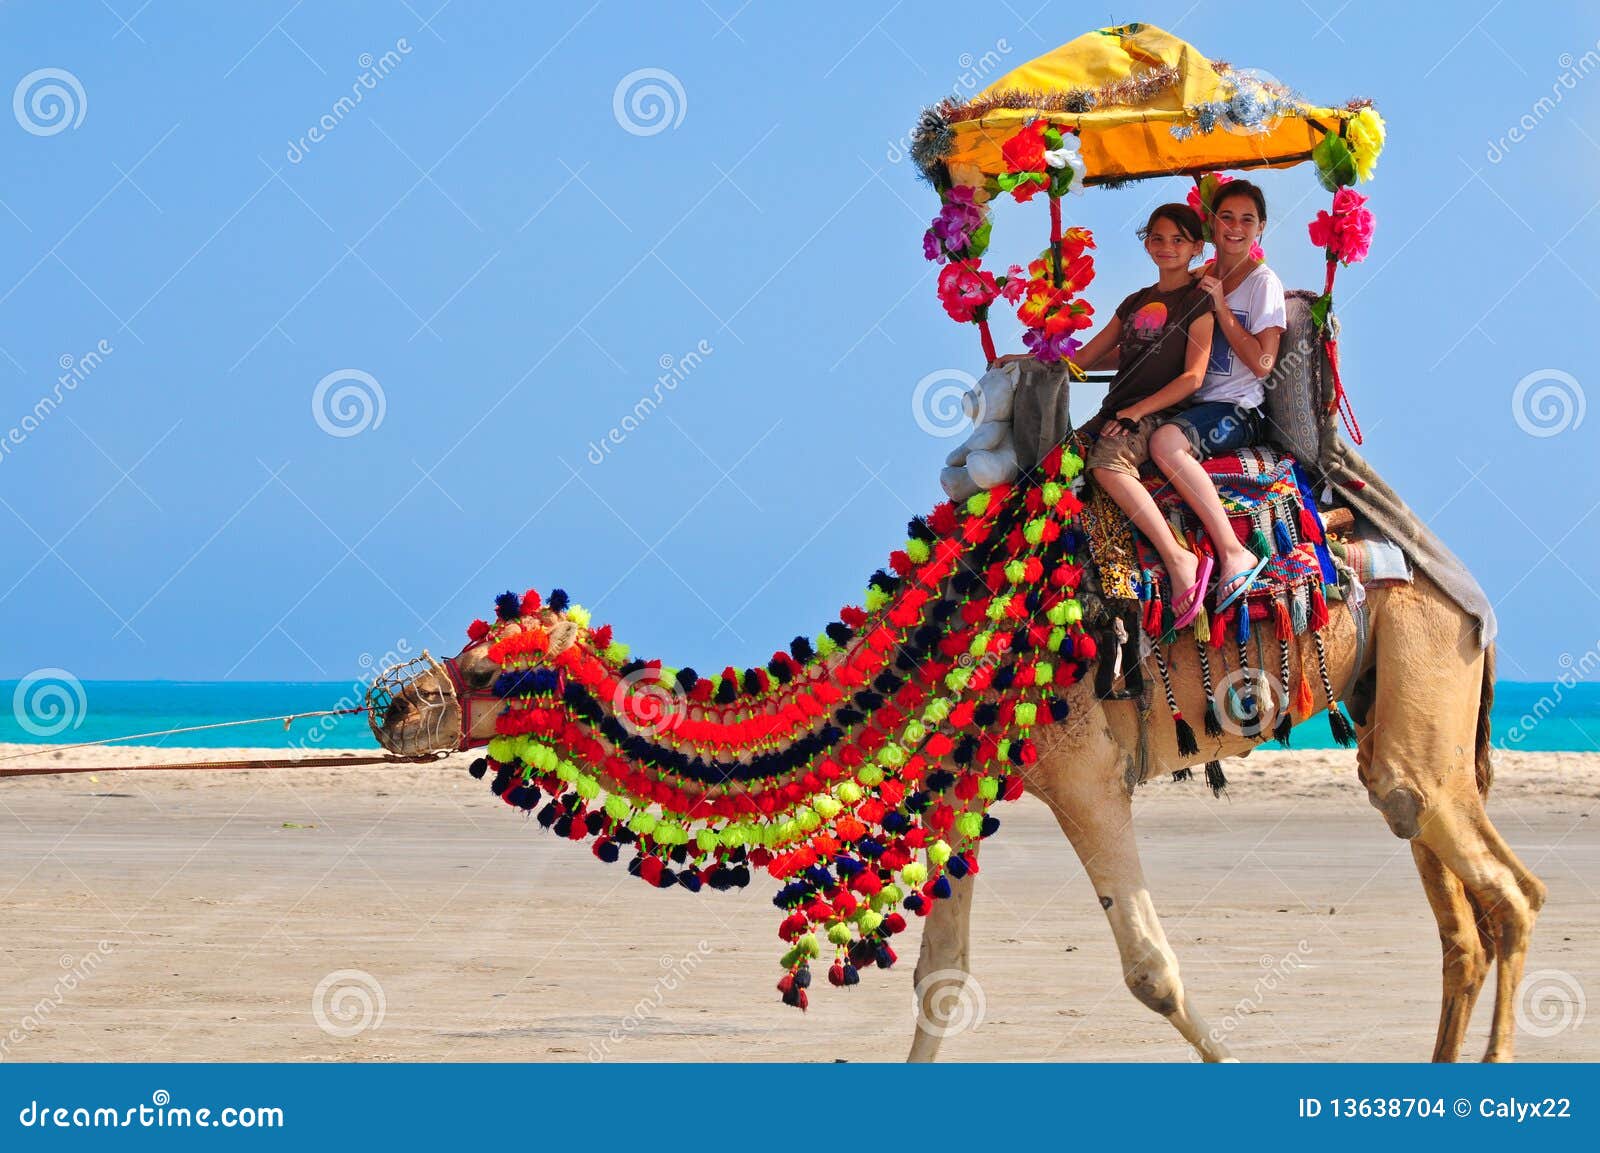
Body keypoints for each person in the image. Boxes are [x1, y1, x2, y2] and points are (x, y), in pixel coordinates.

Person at [1069, 204, 1216, 627]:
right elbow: (1084, 359)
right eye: (1157, 238)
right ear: (1147, 243)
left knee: (1106, 463)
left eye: (1178, 240)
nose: (1166, 247)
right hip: (1114, 411)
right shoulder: (1134, 302)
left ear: (1195, 247)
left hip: (1159, 411)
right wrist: (1022, 361)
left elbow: (1192, 376)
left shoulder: (1198, 300)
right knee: (1055, 461)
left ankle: (1178, 557)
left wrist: (1137, 411)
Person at [1148, 178, 1287, 612]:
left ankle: (1232, 551)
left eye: (1247, 219)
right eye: (1226, 216)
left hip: (1235, 410)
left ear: (1260, 227)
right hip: (1188, 403)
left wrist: (1223, 309)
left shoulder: (1263, 284)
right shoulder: (1197, 276)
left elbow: (1265, 364)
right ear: (1212, 223)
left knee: (1164, 443)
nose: (1235, 226)